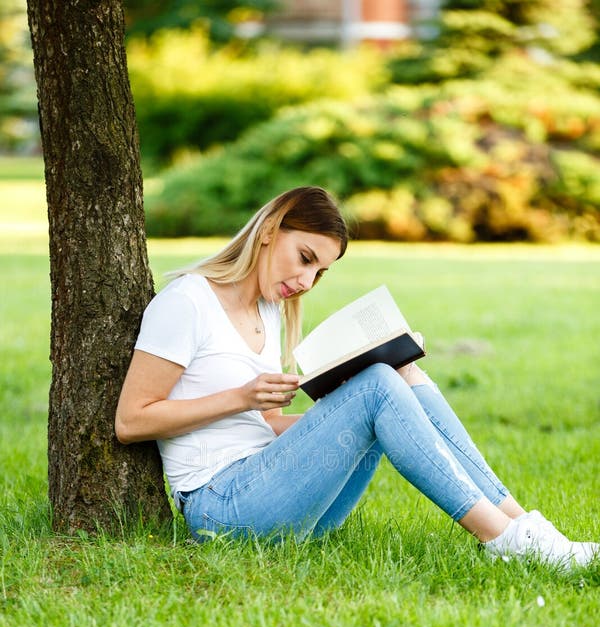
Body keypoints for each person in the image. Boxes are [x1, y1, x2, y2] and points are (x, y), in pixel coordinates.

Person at [115, 186, 598, 568]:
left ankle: (530, 529)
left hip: (281, 497)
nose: (306, 282)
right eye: (305, 258)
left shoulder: (270, 311)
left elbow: (263, 426)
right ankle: (505, 540)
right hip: (219, 507)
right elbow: (132, 421)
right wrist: (241, 397)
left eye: (319, 272)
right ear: (269, 231)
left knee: (399, 373)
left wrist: (339, 401)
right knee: (376, 387)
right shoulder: (187, 302)